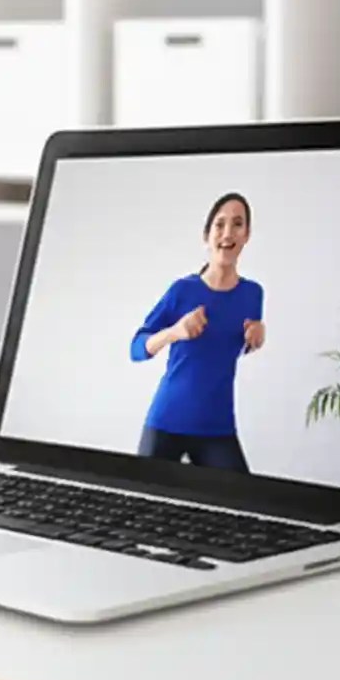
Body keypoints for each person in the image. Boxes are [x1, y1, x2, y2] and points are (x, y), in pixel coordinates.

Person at [129, 192, 265, 473]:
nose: (228, 233)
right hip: (167, 421)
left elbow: (232, 347)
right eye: (220, 224)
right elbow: (136, 348)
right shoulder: (182, 290)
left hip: (218, 427)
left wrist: (256, 339)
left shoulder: (253, 294)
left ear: (247, 235)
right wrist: (175, 332)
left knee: (244, 505)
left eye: (237, 224)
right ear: (207, 236)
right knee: (141, 505)